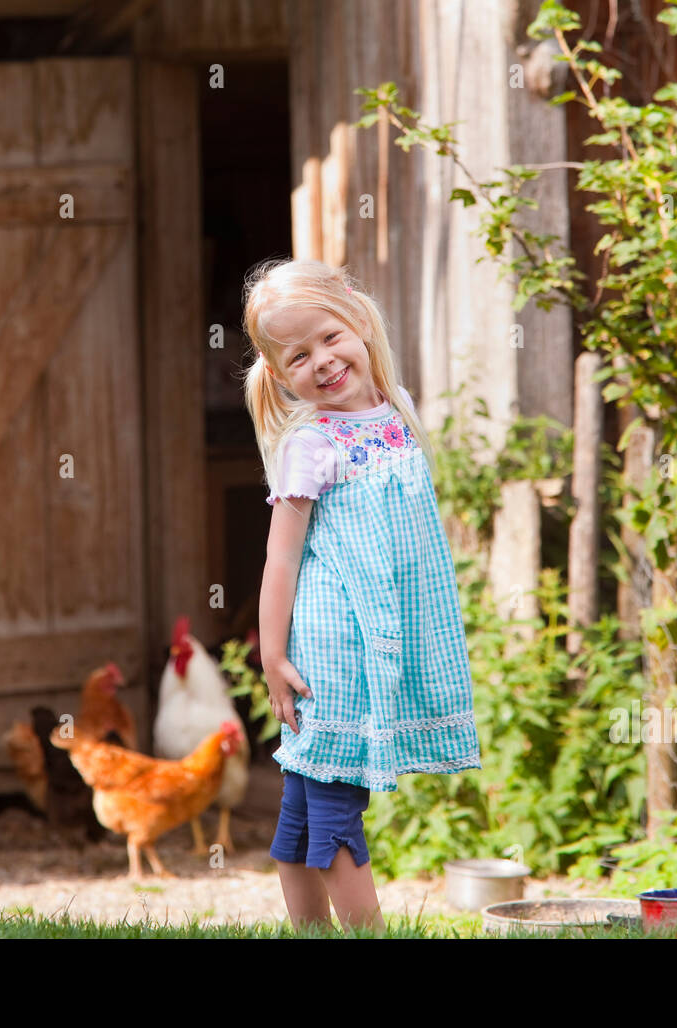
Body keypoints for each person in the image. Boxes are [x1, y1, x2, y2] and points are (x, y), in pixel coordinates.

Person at [241, 258, 482, 934]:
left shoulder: (396, 409)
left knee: (306, 793)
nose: (321, 361)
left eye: (329, 338)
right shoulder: (311, 445)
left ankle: (312, 933)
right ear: (280, 372)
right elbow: (280, 557)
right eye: (298, 355)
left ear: (357, 321)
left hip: (379, 632)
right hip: (332, 646)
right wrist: (272, 655)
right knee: (334, 796)